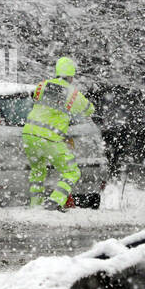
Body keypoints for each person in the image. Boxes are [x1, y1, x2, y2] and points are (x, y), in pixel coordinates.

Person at [22, 56, 95, 210]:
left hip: (29, 135)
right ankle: (54, 202)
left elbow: (35, 97)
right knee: (72, 172)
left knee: (37, 171)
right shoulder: (72, 93)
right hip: (50, 138)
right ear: (71, 76)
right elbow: (89, 109)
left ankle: (35, 205)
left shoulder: (42, 85)